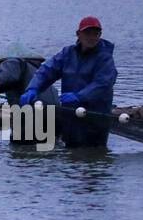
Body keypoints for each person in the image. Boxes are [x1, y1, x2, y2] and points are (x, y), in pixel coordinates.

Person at [20, 17, 118, 147]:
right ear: (78, 34)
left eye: (96, 33)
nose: (92, 37)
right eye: (87, 33)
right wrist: (33, 88)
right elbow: (47, 71)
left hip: (95, 117)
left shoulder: (105, 58)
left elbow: (102, 84)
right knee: (71, 150)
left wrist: (79, 96)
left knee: (91, 152)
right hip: (70, 114)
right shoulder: (68, 53)